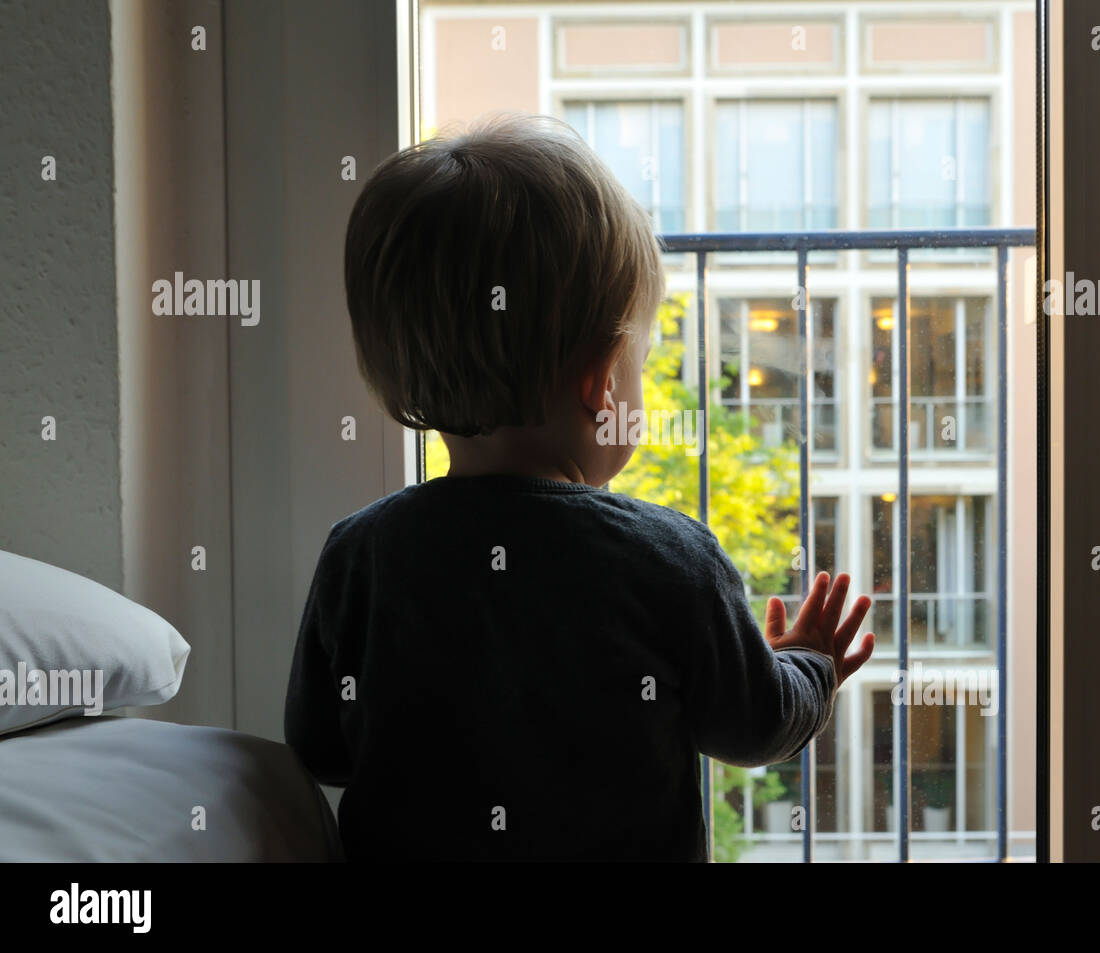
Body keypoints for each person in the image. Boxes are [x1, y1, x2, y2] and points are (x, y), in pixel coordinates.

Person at [284, 112, 874, 861]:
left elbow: (319, 745)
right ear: (600, 380)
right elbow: (754, 727)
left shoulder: (361, 556)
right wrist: (812, 665)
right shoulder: (670, 560)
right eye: (642, 358)